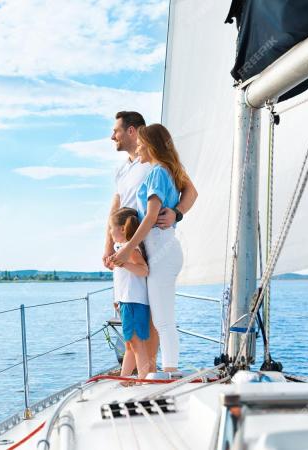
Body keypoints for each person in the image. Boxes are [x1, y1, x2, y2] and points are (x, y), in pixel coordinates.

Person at [102, 111, 197, 372]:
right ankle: (143, 372)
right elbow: (115, 208)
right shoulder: (123, 171)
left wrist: (177, 212)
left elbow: (191, 191)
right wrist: (109, 245)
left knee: (155, 314)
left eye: (116, 131)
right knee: (132, 307)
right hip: (130, 247)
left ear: (133, 132)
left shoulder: (157, 165)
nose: (112, 136)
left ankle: (152, 371)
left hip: (148, 244)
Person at [109, 207, 153, 378]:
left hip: (134, 302)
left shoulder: (130, 249)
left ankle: (143, 380)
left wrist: (124, 263)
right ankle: (125, 378)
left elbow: (144, 270)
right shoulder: (122, 248)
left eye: (111, 228)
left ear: (121, 229)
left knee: (137, 344)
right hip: (127, 302)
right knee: (130, 344)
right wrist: (118, 300)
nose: (110, 231)